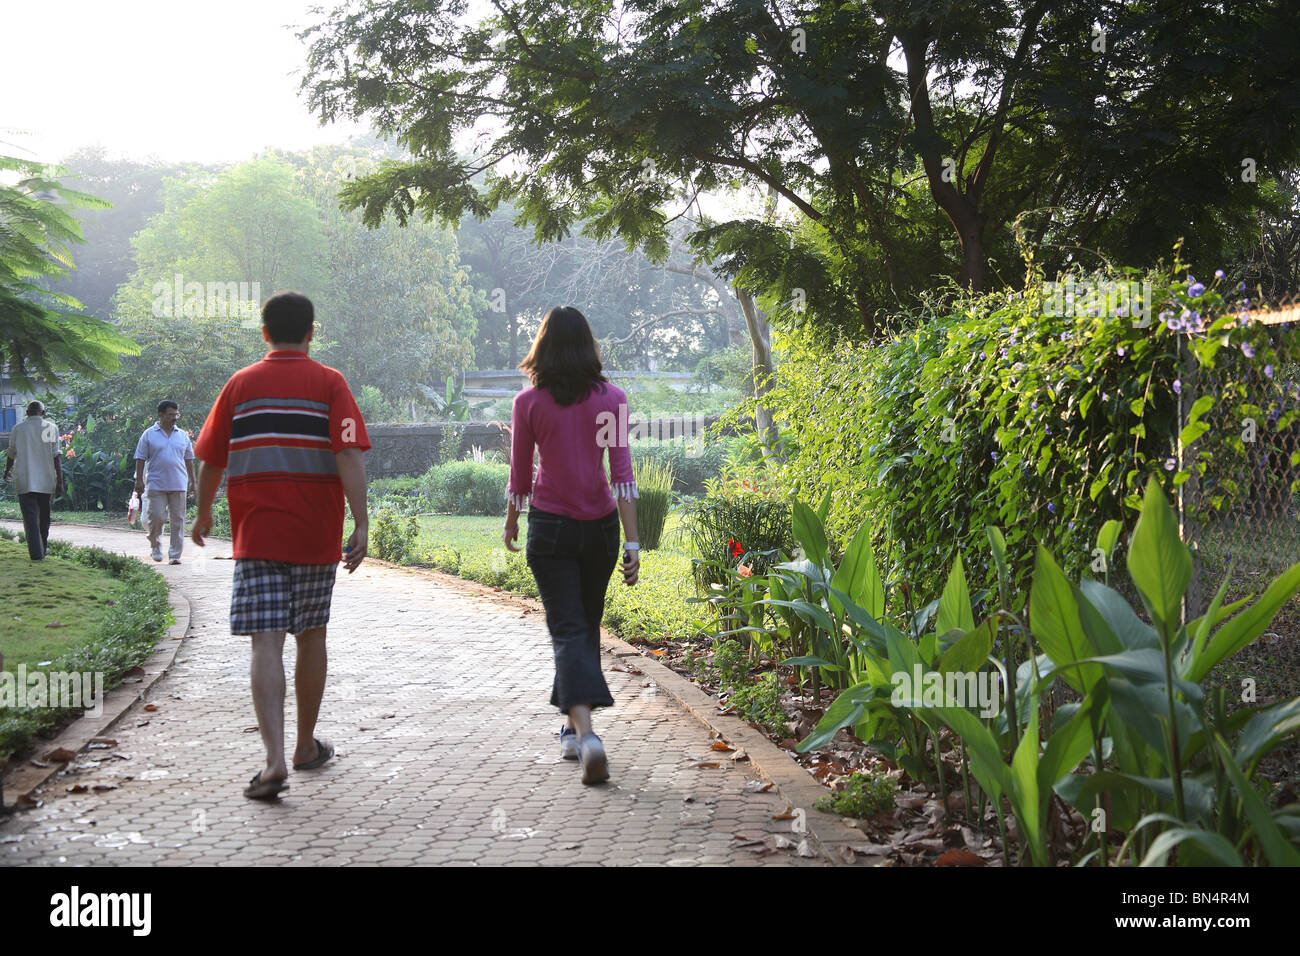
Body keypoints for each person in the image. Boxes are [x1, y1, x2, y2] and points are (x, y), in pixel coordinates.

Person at [191, 291, 370, 801]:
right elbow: (349, 454)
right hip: (315, 536)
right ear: (311, 332)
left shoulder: (240, 385)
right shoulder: (330, 384)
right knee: (311, 635)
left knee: (265, 640)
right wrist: (360, 523)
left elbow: (211, 459)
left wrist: (204, 513)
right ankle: (304, 746)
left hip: (257, 537)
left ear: (264, 333)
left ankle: (272, 762)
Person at [504, 306, 640, 786]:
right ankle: (572, 727)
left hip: (551, 529)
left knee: (568, 630)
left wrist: (511, 521)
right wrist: (634, 541)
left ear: (543, 347)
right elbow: (621, 474)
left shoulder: (529, 404)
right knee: (584, 625)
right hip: (600, 530)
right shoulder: (613, 400)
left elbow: (520, 475)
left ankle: (586, 737)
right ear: (588, 346)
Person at [133, 400, 195, 564]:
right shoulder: (149, 434)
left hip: (179, 483)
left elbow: (189, 459)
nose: (175, 418)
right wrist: (139, 479)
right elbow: (140, 458)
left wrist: (193, 482)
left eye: (176, 414)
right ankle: (155, 546)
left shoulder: (182, 435)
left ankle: (175, 555)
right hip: (156, 483)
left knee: (178, 521)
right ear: (161, 415)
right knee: (156, 517)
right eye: (171, 414)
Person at [3, 401, 63, 561]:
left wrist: (7, 471)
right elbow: (56, 457)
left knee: (30, 519)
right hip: (45, 480)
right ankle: (42, 548)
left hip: (25, 479)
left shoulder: (18, 429)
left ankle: (37, 553)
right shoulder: (50, 428)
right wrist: (60, 482)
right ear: (43, 413)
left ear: (27, 413)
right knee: (44, 517)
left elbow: (11, 454)